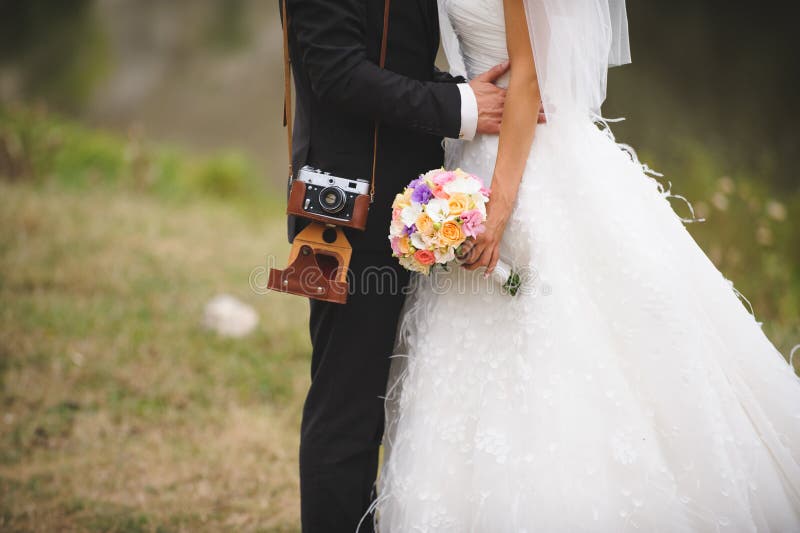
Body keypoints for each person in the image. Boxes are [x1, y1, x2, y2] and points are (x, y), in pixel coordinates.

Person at [375, 0, 800, 530]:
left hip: (523, 163)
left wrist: (498, 209)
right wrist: (458, 100)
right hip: (477, 143)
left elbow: (528, 79)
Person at [280, 0, 518, 530]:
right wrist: (459, 106)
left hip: (407, 209)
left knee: (384, 410)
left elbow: (393, 62)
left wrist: (462, 90)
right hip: (339, 217)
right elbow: (337, 72)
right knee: (345, 414)